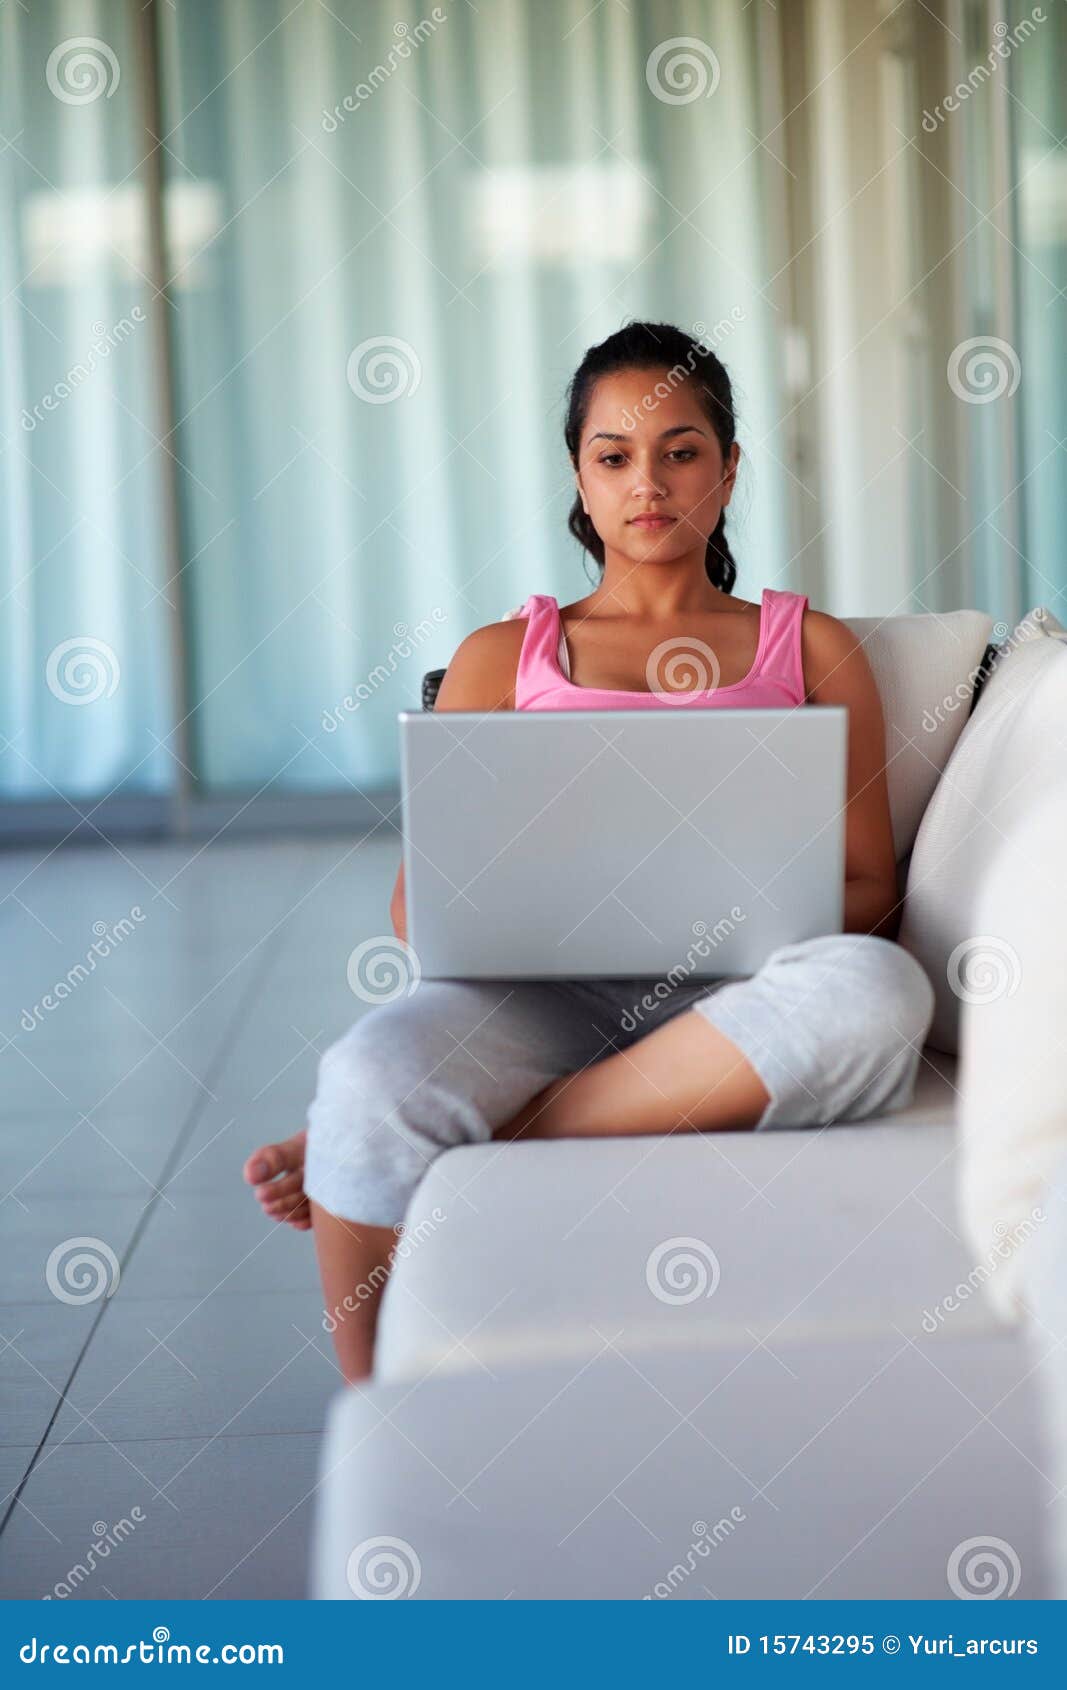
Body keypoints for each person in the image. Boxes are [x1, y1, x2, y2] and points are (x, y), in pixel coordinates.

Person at [243, 320, 935, 1383]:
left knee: (877, 989)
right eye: (612, 455)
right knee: (364, 1073)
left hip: (741, 994)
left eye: (681, 450)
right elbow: (415, 906)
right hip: (536, 994)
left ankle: (490, 1129)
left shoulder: (814, 648)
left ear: (729, 466)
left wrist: (735, 912)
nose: (645, 482)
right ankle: (370, 1410)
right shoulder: (496, 659)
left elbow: (869, 890)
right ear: (578, 473)